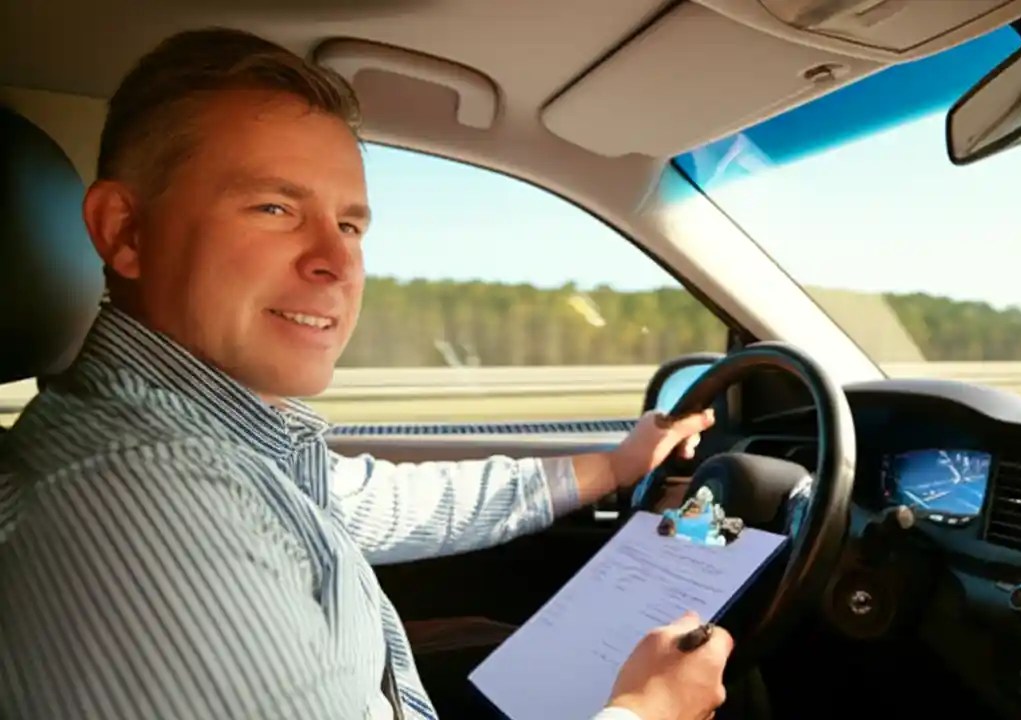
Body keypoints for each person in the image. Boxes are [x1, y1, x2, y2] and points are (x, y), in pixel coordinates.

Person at [0, 27, 733, 720]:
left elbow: (400, 500)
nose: (337, 262)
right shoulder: (146, 500)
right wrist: (647, 710)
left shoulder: (216, 445)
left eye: (350, 225)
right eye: (275, 206)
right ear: (126, 232)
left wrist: (612, 466)